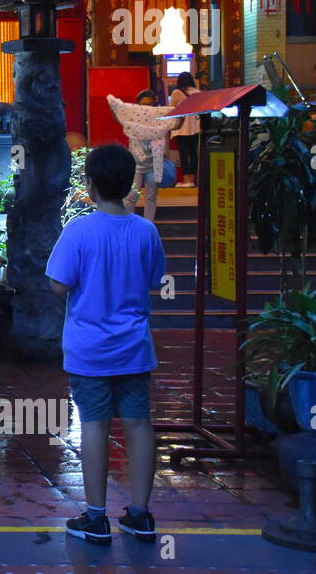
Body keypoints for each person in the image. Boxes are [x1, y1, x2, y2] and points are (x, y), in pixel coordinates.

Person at [46, 145, 165, 545]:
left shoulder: (78, 230)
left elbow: (59, 284)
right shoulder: (146, 230)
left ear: (90, 184)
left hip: (88, 349)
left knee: (94, 425)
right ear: (130, 184)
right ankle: (140, 514)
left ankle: (96, 518)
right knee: (139, 424)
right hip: (134, 347)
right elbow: (153, 279)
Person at [106, 91, 177, 222]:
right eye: (143, 104)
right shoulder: (133, 118)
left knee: (151, 196)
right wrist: (114, 107)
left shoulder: (159, 117)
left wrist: (181, 115)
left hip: (154, 163)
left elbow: (176, 124)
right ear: (138, 105)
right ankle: (126, 222)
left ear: (154, 104)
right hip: (135, 163)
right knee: (131, 195)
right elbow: (118, 118)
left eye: (149, 104)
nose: (146, 107)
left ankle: (149, 224)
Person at [168, 72, 201, 187]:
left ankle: (186, 179)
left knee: (183, 154)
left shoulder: (176, 92)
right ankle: (192, 180)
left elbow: (171, 109)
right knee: (193, 154)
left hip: (181, 128)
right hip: (195, 127)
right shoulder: (198, 93)